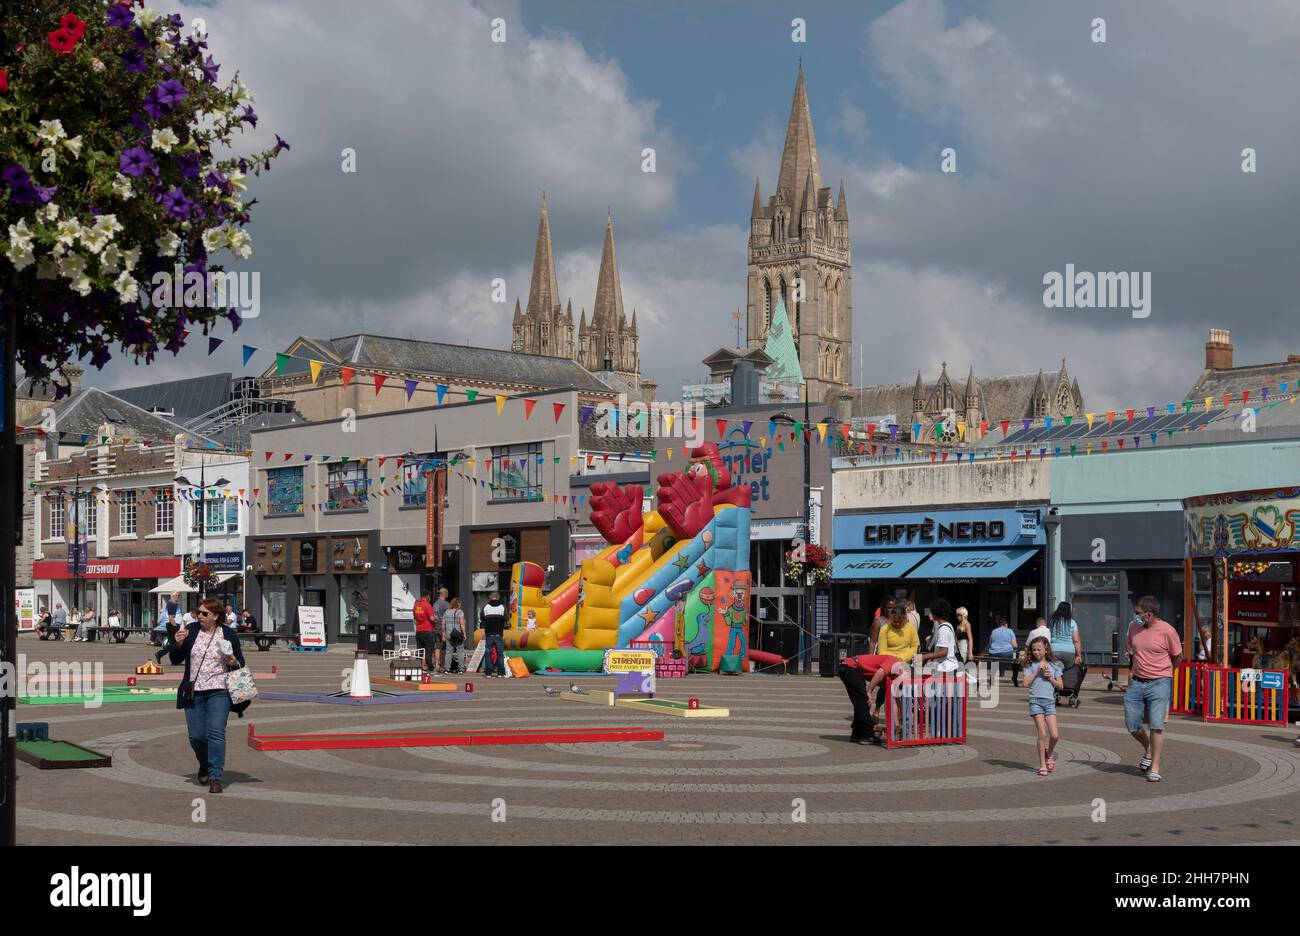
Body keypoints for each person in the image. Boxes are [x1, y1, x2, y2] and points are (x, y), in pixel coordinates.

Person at [170, 597, 249, 794]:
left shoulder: (227, 633)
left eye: (205, 613)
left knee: (216, 733)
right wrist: (178, 644)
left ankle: (215, 776)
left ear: (216, 616)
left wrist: (232, 661)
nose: (200, 616)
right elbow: (174, 658)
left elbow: (240, 662)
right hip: (194, 691)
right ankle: (204, 764)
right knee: (196, 736)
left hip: (219, 690)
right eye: (199, 612)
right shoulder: (193, 630)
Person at [1124, 595, 1182, 782]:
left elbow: (1178, 657)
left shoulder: (1168, 631)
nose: (1135, 616)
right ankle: (1148, 747)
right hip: (1137, 681)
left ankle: (1155, 767)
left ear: (1149, 614)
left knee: (1156, 725)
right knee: (1132, 725)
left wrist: (1165, 673)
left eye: (1138, 613)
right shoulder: (1133, 627)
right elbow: (1131, 651)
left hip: (1160, 682)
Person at [867, 606, 920, 724]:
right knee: (885, 687)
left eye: (899, 622)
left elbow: (914, 647)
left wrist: (903, 658)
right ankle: (884, 713)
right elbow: (882, 650)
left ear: (904, 619)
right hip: (888, 662)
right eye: (894, 621)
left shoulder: (910, 628)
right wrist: (893, 660)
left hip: (904, 662)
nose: (896, 624)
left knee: (901, 691)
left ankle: (901, 716)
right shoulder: (885, 628)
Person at [1022, 636, 1064, 776]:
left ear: (1046, 650)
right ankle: (1042, 765)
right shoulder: (1029, 665)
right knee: (1042, 733)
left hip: (1049, 703)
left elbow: (1061, 685)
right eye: (1033, 650)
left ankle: (1049, 754)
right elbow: (1025, 683)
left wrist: (1050, 678)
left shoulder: (1054, 666)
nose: (1036, 652)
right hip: (1035, 702)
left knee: (1055, 735)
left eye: (1039, 649)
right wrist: (1037, 671)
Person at [918, 598, 960, 676]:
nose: (930, 614)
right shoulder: (948, 625)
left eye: (931, 612)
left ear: (936, 613)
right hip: (951, 666)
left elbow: (944, 651)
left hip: (946, 669)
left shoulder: (943, 629)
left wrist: (924, 657)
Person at [479, 592, 508, 677]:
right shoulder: (502, 607)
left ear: (490, 597)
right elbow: (506, 618)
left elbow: (481, 617)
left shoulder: (486, 607)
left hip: (489, 633)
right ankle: (500, 672)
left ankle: (488, 673)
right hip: (499, 633)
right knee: (500, 654)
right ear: (498, 597)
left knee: (488, 653)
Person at [1048, 601, 1083, 667]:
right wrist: (1079, 655)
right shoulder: (1072, 622)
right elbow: (1076, 640)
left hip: (1054, 650)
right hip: (1069, 651)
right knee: (1069, 673)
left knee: (1055, 673)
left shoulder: (1052, 621)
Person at [987, 614, 1019, 686]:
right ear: (1006, 624)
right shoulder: (1010, 631)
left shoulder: (994, 631)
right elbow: (1014, 645)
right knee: (1017, 659)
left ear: (998, 624)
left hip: (994, 652)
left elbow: (990, 643)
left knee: (994, 658)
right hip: (1007, 653)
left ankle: (992, 678)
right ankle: (1014, 677)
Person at [413, 590, 436, 674]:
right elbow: (432, 618)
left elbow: (415, 617)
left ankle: (417, 667)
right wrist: (436, 618)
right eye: (429, 596)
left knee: (419, 651)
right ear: (427, 596)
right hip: (427, 630)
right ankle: (430, 668)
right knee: (428, 651)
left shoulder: (416, 605)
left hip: (419, 630)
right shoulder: (428, 605)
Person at [442, 598, 467, 674]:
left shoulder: (446, 612)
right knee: (460, 651)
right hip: (458, 635)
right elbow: (462, 624)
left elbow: (443, 624)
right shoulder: (460, 612)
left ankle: (447, 669)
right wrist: (464, 633)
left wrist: (443, 633)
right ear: (458, 604)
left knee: (449, 652)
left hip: (449, 635)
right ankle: (461, 668)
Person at [432, 587, 451, 673]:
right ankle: (443, 665)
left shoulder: (435, 603)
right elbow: (449, 616)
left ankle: (436, 664)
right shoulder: (446, 604)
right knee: (445, 647)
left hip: (435, 627)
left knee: (437, 647)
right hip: (443, 628)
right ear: (445, 594)